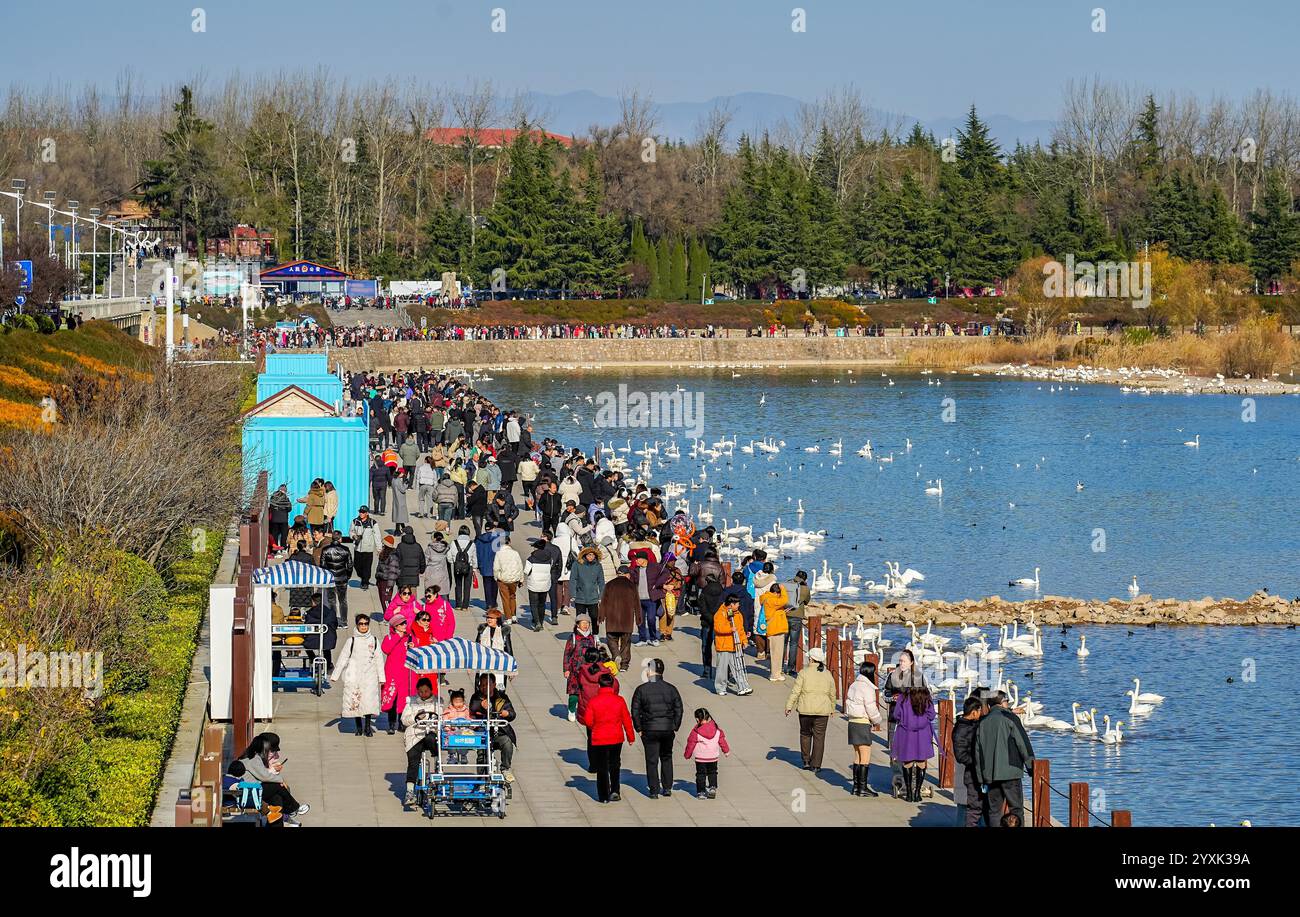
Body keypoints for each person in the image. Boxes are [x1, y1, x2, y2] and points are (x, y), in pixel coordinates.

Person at [975, 690, 1035, 825]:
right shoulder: (1011, 718)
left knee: (994, 810)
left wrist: (980, 777)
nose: (1008, 704)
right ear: (1002, 703)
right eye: (1007, 701)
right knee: (1016, 810)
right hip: (1011, 772)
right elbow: (1023, 744)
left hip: (990, 774)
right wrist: (1031, 767)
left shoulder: (983, 722)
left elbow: (978, 753)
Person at [631, 658, 683, 798]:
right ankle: (667, 787)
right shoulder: (671, 689)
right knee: (666, 757)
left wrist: (639, 728)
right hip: (667, 728)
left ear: (651, 671)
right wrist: (675, 726)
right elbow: (679, 708)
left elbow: (635, 711)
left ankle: (654, 790)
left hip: (649, 729)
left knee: (652, 760)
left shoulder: (641, 690)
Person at [582, 673, 636, 803]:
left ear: (599, 685)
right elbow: (626, 720)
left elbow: (588, 721)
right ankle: (615, 790)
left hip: (600, 738)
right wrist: (630, 736)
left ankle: (603, 796)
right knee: (615, 764)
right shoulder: (619, 700)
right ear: (612, 685)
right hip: (616, 738)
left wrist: (596, 726)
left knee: (602, 767)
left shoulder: (593, 701)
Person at [784, 645, 838, 773]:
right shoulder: (827, 674)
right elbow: (833, 693)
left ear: (812, 659)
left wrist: (789, 706)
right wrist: (832, 708)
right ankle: (817, 764)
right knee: (819, 737)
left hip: (805, 709)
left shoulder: (804, 673)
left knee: (805, 734)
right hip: (822, 710)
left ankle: (806, 761)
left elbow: (795, 691)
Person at [331, 614, 384, 736]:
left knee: (369, 701)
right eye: (361, 624)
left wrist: (381, 677)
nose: (364, 626)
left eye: (366, 624)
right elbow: (343, 658)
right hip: (355, 676)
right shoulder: (352, 641)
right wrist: (335, 675)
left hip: (370, 676)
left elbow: (379, 660)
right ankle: (359, 727)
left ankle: (368, 727)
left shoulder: (374, 640)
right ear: (357, 625)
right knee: (356, 701)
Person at [237, 732, 309, 823]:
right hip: (249, 793)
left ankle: (289, 811)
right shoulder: (253, 760)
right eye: (271, 751)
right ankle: (293, 808)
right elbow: (264, 776)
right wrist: (280, 780)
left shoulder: (254, 758)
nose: (275, 755)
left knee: (277, 798)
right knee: (277, 786)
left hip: (254, 790)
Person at [844, 660, 884, 796]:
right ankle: (863, 788)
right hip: (862, 723)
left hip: (852, 722)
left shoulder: (853, 685)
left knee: (857, 755)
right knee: (865, 756)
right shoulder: (868, 688)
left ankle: (856, 787)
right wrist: (878, 720)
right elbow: (871, 708)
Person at [893, 684, 937, 803]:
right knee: (921, 762)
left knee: (907, 762)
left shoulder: (903, 698)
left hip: (906, 733)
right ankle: (917, 792)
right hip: (923, 733)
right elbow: (932, 715)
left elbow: (896, 714)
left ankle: (908, 793)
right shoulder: (926, 697)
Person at [470, 673, 518, 782]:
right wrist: (482, 706)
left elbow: (512, 714)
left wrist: (507, 713)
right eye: (482, 685)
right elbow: (473, 707)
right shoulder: (476, 697)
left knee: (507, 743)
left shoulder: (502, 697)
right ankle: (481, 777)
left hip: (498, 732)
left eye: (487, 684)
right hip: (482, 733)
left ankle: (505, 768)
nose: (484, 687)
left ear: (494, 684)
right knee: (482, 753)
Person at [401, 677, 440, 806]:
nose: (423, 694)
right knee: (413, 761)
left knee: (433, 741)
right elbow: (404, 720)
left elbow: (441, 718)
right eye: (421, 691)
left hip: (430, 732)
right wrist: (415, 717)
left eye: (426, 691)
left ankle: (438, 770)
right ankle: (410, 791)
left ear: (431, 690)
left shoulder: (437, 702)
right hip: (415, 734)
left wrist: (432, 720)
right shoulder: (411, 702)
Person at [953, 694, 986, 825]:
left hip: (976, 773)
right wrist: (977, 762)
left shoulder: (971, 725)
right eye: (979, 711)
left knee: (978, 806)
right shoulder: (962, 729)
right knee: (974, 807)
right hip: (972, 774)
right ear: (973, 712)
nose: (981, 713)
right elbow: (960, 755)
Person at [683, 708, 730, 799]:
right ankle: (712, 787)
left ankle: (701, 792)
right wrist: (726, 751)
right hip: (713, 757)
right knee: (713, 772)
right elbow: (722, 741)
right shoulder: (717, 730)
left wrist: (687, 755)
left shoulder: (696, 732)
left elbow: (691, 744)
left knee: (701, 774)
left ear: (697, 719)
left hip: (701, 758)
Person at [597, 566, 639, 669]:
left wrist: (601, 615)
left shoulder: (609, 584)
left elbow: (604, 601)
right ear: (627, 574)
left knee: (611, 639)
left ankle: (615, 655)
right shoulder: (631, 586)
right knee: (626, 642)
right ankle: (624, 664)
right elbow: (637, 603)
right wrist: (639, 616)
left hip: (612, 618)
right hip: (627, 619)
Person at [712, 594, 752, 697]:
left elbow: (740, 629)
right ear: (731, 605)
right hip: (724, 645)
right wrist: (730, 629)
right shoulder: (720, 613)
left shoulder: (738, 614)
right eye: (737, 604)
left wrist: (744, 641)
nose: (739, 605)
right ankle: (720, 688)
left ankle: (743, 686)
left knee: (738, 667)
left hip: (735, 645)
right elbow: (718, 628)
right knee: (722, 668)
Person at [381, 613, 415, 734]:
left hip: (405, 672)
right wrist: (397, 637)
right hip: (392, 672)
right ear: (395, 626)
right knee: (392, 699)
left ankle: (401, 722)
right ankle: (391, 723)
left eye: (405, 623)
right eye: (402, 624)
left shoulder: (409, 637)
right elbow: (386, 649)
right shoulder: (389, 637)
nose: (405, 625)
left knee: (403, 699)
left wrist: (413, 646)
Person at [563, 614, 598, 722]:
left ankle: (587, 712)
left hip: (589, 670)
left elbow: (598, 654)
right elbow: (567, 654)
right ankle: (572, 710)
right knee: (574, 693)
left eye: (587, 623)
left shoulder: (593, 638)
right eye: (583, 623)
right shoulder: (573, 638)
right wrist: (566, 669)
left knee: (588, 693)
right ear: (577, 625)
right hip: (575, 670)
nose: (585, 625)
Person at [758, 580, 790, 681]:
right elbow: (784, 600)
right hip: (776, 629)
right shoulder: (771, 600)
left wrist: (782, 611)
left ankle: (776, 673)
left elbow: (776, 608)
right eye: (779, 593)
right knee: (777, 653)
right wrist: (783, 589)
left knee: (777, 653)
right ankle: (775, 675)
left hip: (775, 628)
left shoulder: (768, 598)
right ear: (776, 592)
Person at [493, 531, 524, 625]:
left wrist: (496, 577)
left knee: (505, 598)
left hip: (503, 579)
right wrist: (521, 579)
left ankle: (508, 617)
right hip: (514, 579)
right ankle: (514, 615)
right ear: (509, 542)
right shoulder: (515, 553)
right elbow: (520, 566)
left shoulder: (498, 553)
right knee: (512, 596)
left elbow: (496, 568)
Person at [523, 538, 554, 631]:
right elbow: (550, 568)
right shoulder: (550, 558)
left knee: (533, 604)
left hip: (533, 584)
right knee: (542, 604)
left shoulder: (531, 559)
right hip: (545, 584)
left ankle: (537, 622)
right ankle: (541, 621)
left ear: (536, 548)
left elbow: (526, 571)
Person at [570, 544, 606, 623]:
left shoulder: (598, 566)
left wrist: (601, 596)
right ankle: (579, 634)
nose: (591, 557)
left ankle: (595, 634)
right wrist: (573, 594)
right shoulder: (577, 564)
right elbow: (573, 580)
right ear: (585, 555)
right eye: (589, 555)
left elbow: (601, 582)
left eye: (593, 555)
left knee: (594, 617)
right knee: (580, 619)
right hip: (580, 597)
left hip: (593, 597)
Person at [348, 506, 381, 590]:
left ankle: (365, 582)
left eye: (363, 512)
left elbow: (377, 536)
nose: (361, 513)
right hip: (358, 548)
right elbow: (351, 531)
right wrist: (354, 536)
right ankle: (363, 577)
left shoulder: (373, 523)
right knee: (357, 565)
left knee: (367, 567)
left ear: (367, 513)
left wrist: (379, 548)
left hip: (368, 549)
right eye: (360, 512)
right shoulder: (355, 521)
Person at [450, 525, 477, 611]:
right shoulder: (472, 544)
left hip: (457, 566)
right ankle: (465, 605)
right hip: (468, 566)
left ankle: (458, 604)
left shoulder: (454, 542)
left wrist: (453, 561)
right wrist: (475, 568)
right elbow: (474, 557)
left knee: (458, 585)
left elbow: (449, 555)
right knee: (467, 586)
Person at [376, 535, 401, 610]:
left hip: (387, 582)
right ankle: (386, 615)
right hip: (381, 580)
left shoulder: (393, 556)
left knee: (386, 600)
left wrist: (389, 586)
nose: (382, 546)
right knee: (382, 599)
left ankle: (388, 617)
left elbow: (393, 572)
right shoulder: (383, 554)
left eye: (384, 544)